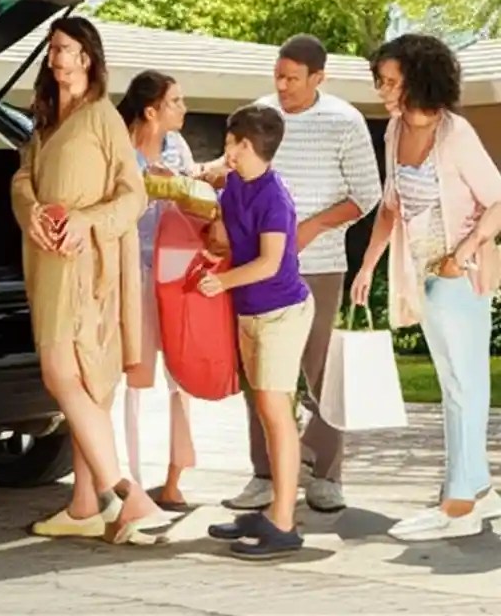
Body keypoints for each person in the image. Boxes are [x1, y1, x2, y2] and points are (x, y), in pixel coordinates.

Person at [200, 35, 382, 513]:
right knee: (258, 376)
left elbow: (368, 195)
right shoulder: (261, 114)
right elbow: (230, 163)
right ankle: (265, 473)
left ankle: (325, 474)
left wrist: (312, 227)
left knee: (319, 372)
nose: (282, 86)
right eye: (278, 76)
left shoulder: (344, 121)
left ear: (319, 77)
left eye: (293, 79)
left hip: (318, 265)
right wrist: (199, 174)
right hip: (255, 267)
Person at [13, 17, 164, 545]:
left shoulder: (103, 118)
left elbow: (134, 194)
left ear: (87, 58)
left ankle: (125, 493)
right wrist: (31, 210)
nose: (56, 57)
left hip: (87, 264)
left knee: (65, 375)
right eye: (53, 49)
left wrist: (86, 221)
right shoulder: (45, 120)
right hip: (47, 261)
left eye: (66, 48)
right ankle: (83, 507)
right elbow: (23, 178)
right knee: (80, 381)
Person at [351, 33, 501, 541]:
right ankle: (476, 489)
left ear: (420, 79)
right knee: (455, 385)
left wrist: (463, 254)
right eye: (380, 80)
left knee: (463, 387)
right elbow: (391, 205)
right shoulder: (395, 130)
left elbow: (498, 200)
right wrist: (367, 266)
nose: (382, 90)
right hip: (423, 274)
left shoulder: (454, 134)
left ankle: (460, 505)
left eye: (390, 81)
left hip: (460, 276)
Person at [201, 104, 314, 559]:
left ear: (245, 145)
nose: (225, 150)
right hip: (251, 311)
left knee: (275, 410)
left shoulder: (274, 198)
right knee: (265, 409)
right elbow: (227, 233)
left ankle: (284, 522)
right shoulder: (234, 185)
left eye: (230, 143)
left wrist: (222, 281)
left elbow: (270, 262)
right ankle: (272, 510)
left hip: (280, 312)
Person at [116, 70, 198, 510]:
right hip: (130, 271)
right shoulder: (120, 150)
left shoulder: (177, 148)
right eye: (175, 101)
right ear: (151, 111)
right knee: (133, 375)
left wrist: (180, 187)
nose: (183, 108)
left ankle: (173, 478)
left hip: (175, 270)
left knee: (179, 375)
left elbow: (195, 198)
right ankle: (130, 478)